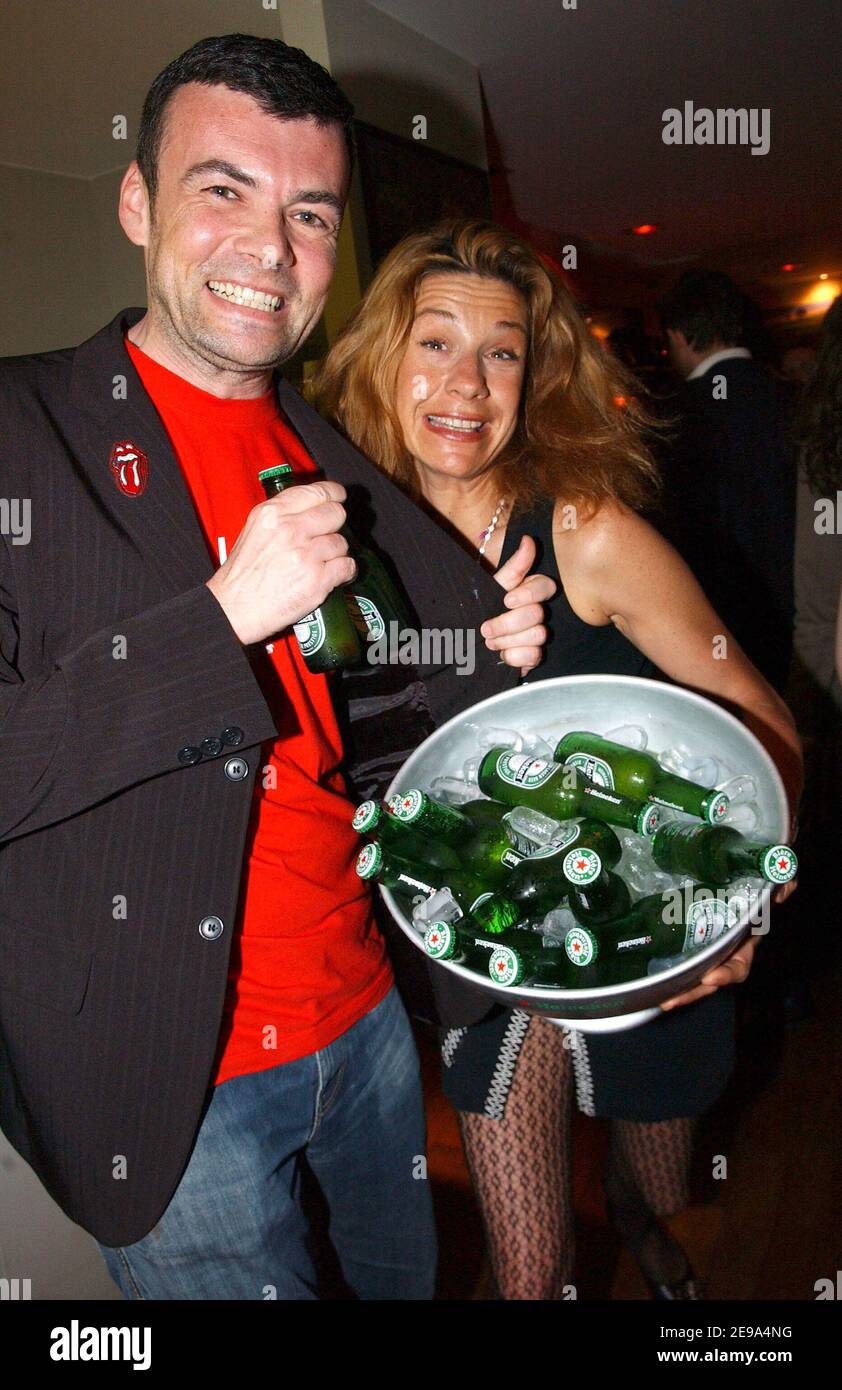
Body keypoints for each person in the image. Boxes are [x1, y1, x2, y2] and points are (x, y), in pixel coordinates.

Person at [0, 35, 555, 1301]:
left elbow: (359, 714)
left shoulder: (332, 445)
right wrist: (218, 617)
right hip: (171, 1085)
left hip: (363, 1019)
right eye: (222, 189)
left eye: (308, 211)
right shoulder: (18, 435)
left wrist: (470, 659)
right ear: (138, 201)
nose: (271, 245)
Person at [314, 220, 802, 1299]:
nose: (466, 382)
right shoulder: (348, 547)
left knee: (664, 1178)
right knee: (528, 1267)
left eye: (501, 351)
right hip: (491, 948)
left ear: (533, 378)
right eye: (433, 342)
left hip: (634, 922)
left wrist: (740, 908)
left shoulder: (581, 529)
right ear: (380, 359)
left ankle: (627, 1203)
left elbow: (755, 710)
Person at [658, 269, 797, 695]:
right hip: (801, 610)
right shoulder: (796, 395)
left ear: (678, 336)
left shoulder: (674, 417)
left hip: (720, 620)